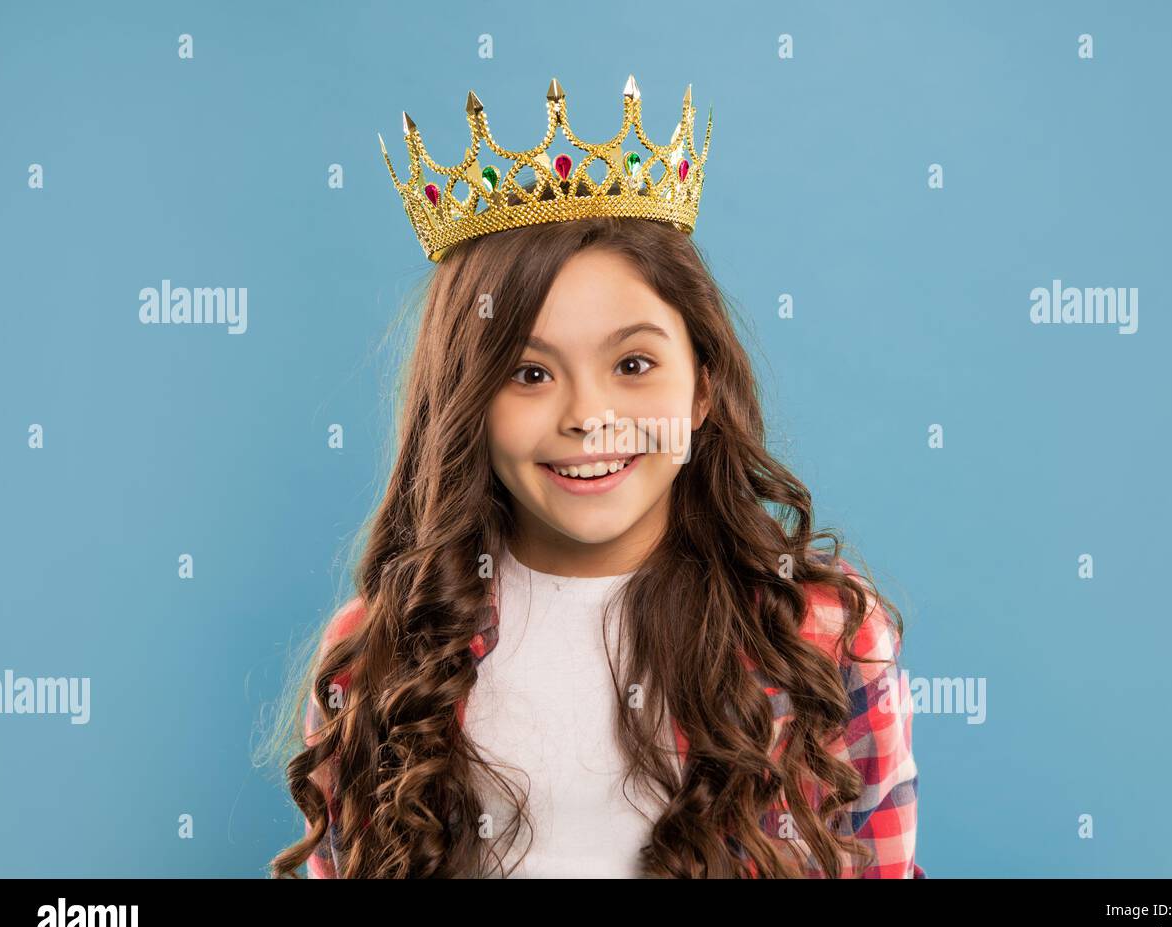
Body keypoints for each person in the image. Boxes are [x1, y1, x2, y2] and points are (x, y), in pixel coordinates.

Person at [269, 74, 923, 878]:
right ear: (466, 403)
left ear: (703, 388)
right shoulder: (379, 658)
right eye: (529, 374)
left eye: (634, 363)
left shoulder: (824, 634)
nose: (589, 416)